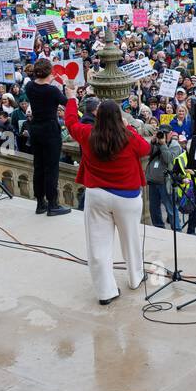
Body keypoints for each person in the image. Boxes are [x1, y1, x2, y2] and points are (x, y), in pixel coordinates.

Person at [64, 84, 150, 305]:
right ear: (118, 118)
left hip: (97, 196)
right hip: (127, 198)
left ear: (97, 117)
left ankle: (105, 292)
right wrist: (128, 127)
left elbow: (71, 122)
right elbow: (145, 150)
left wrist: (72, 97)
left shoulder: (87, 134)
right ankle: (135, 278)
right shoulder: (128, 137)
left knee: (98, 245)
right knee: (130, 240)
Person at [25, 58, 70, 216]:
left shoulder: (29, 86)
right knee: (51, 168)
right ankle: (53, 204)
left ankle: (40, 203)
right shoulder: (52, 91)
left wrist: (48, 78)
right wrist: (65, 84)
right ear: (50, 72)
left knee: (39, 166)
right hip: (50, 131)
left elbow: (38, 85)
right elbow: (67, 103)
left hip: (35, 130)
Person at [144, 129, 183, 229]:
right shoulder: (155, 142)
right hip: (153, 180)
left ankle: (177, 230)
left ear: (170, 134)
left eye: (165, 134)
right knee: (154, 208)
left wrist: (163, 144)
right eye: (161, 134)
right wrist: (152, 142)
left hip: (166, 181)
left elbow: (168, 158)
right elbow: (146, 152)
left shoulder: (175, 145)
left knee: (170, 208)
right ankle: (158, 228)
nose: (162, 136)